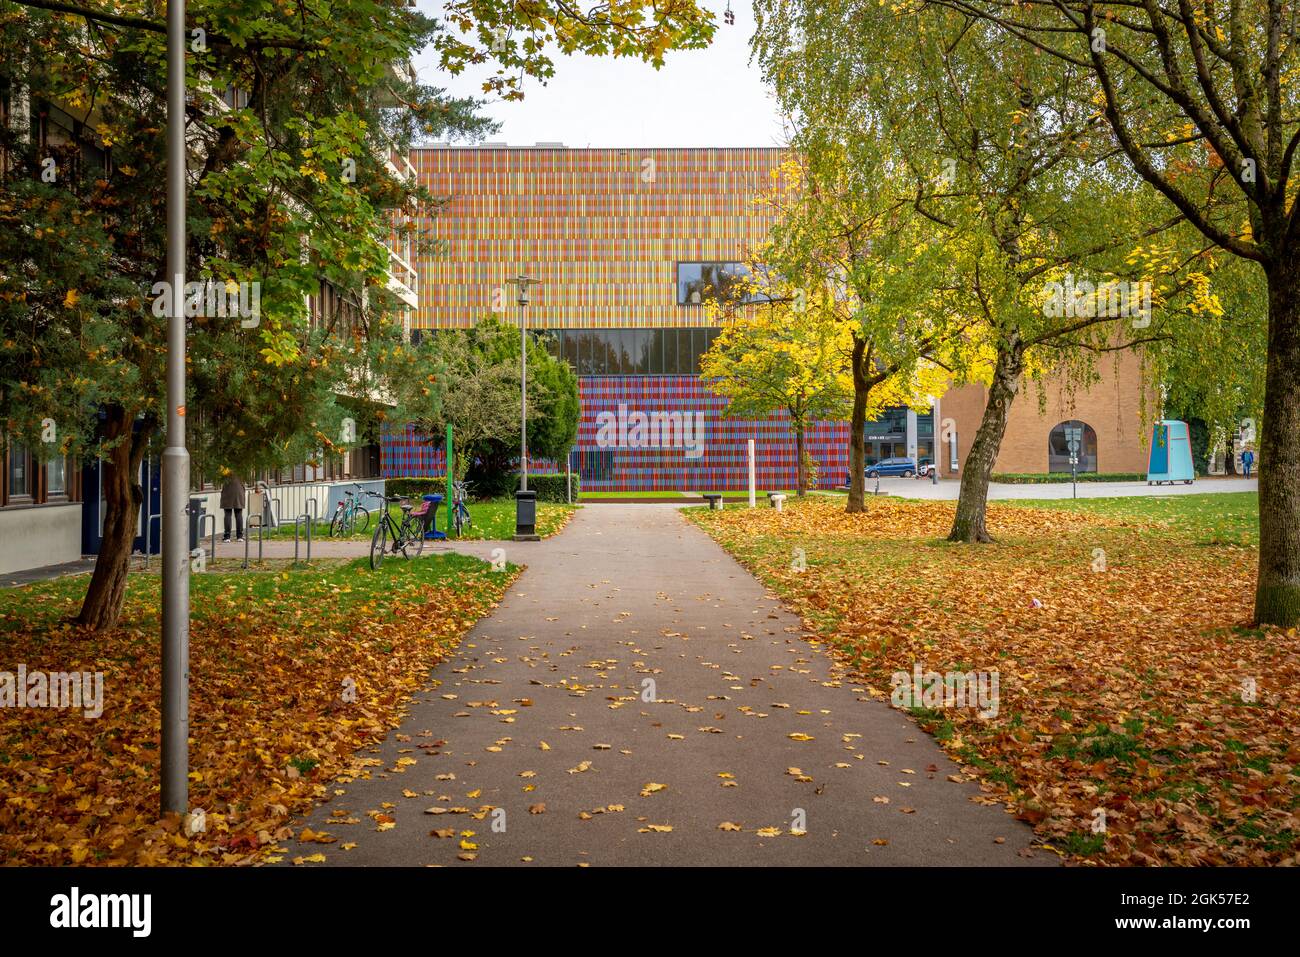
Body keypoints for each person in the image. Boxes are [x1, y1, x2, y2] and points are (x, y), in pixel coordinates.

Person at [220, 473, 246, 542]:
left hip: (227, 490)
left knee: (227, 514)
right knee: (238, 514)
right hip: (239, 490)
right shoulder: (242, 464)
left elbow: (221, 476)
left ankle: (227, 536)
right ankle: (239, 536)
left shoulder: (225, 464)